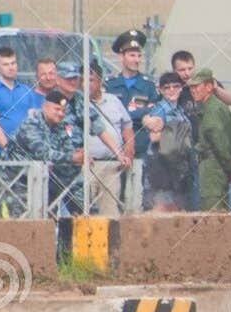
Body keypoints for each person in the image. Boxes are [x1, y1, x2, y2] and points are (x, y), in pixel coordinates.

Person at [172, 50, 231, 209]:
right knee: (197, 193)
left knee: (223, 188)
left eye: (189, 68)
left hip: (213, 147)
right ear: (174, 71)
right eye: (182, 70)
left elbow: (230, 100)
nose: (187, 73)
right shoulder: (176, 89)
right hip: (191, 148)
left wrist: (214, 87)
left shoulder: (206, 84)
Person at [11, 89, 85, 215]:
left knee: (49, 219)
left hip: (45, 179)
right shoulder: (31, 124)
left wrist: (79, 156)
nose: (61, 114)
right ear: (45, 106)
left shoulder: (61, 126)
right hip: (18, 180)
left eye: (63, 110)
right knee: (22, 222)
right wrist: (72, 157)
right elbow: (43, 153)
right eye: (57, 109)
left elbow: (67, 148)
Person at [80, 62, 134, 216]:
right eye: (83, 80)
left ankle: (112, 240)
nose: (86, 84)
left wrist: (129, 147)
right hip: (87, 166)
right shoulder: (77, 103)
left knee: (110, 212)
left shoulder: (113, 101)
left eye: (90, 80)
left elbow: (127, 125)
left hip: (111, 165)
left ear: (100, 81)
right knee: (82, 210)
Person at [139, 72, 195, 211]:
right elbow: (154, 137)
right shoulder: (160, 109)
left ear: (181, 88)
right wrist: (180, 135)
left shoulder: (180, 110)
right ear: (161, 90)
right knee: (161, 212)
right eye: (167, 87)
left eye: (176, 86)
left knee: (176, 212)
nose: (172, 90)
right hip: (160, 167)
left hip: (178, 167)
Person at [190, 67, 231, 211]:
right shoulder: (215, 106)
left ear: (209, 86)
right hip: (218, 167)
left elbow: (220, 143)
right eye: (191, 87)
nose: (193, 90)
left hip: (213, 169)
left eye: (197, 86)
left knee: (212, 215)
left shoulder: (212, 110)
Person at [0, 45, 39, 154]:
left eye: (13, 63)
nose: (11, 67)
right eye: (5, 64)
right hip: (0, 153)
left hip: (27, 152)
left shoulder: (27, 91)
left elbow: (33, 122)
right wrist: (9, 150)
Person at [105, 29, 158, 133]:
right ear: (121, 56)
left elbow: (154, 112)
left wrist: (124, 116)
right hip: (116, 142)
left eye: (139, 56)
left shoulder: (149, 85)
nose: (137, 60)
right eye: (132, 55)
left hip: (141, 142)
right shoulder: (109, 85)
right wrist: (140, 114)